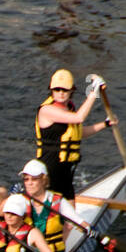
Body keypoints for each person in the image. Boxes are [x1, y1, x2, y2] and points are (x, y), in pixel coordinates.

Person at [34, 69, 113, 199]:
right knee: (51, 210)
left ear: (71, 91)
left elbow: (78, 133)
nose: (60, 93)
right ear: (51, 90)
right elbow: (79, 118)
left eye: (64, 90)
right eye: (57, 89)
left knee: (70, 210)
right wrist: (93, 94)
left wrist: (105, 124)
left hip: (66, 168)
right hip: (50, 168)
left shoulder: (69, 109)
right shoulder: (46, 110)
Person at [20, 159, 80, 252]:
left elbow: (76, 221)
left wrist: (90, 230)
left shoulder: (58, 201)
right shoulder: (20, 199)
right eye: (26, 179)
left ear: (44, 180)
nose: (29, 183)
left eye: (34, 179)